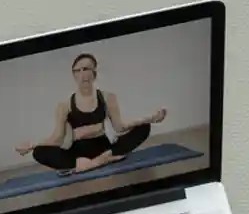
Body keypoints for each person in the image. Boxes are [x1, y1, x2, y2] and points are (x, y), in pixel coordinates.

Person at [15, 53, 167, 173]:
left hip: (105, 147)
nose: (83, 74)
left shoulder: (108, 97)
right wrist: (32, 145)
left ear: (94, 72)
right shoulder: (64, 105)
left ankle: (95, 162)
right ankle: (101, 161)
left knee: (144, 127)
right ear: (74, 74)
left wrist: (150, 118)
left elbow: (120, 127)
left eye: (86, 69)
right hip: (78, 154)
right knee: (39, 153)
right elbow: (57, 139)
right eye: (78, 70)